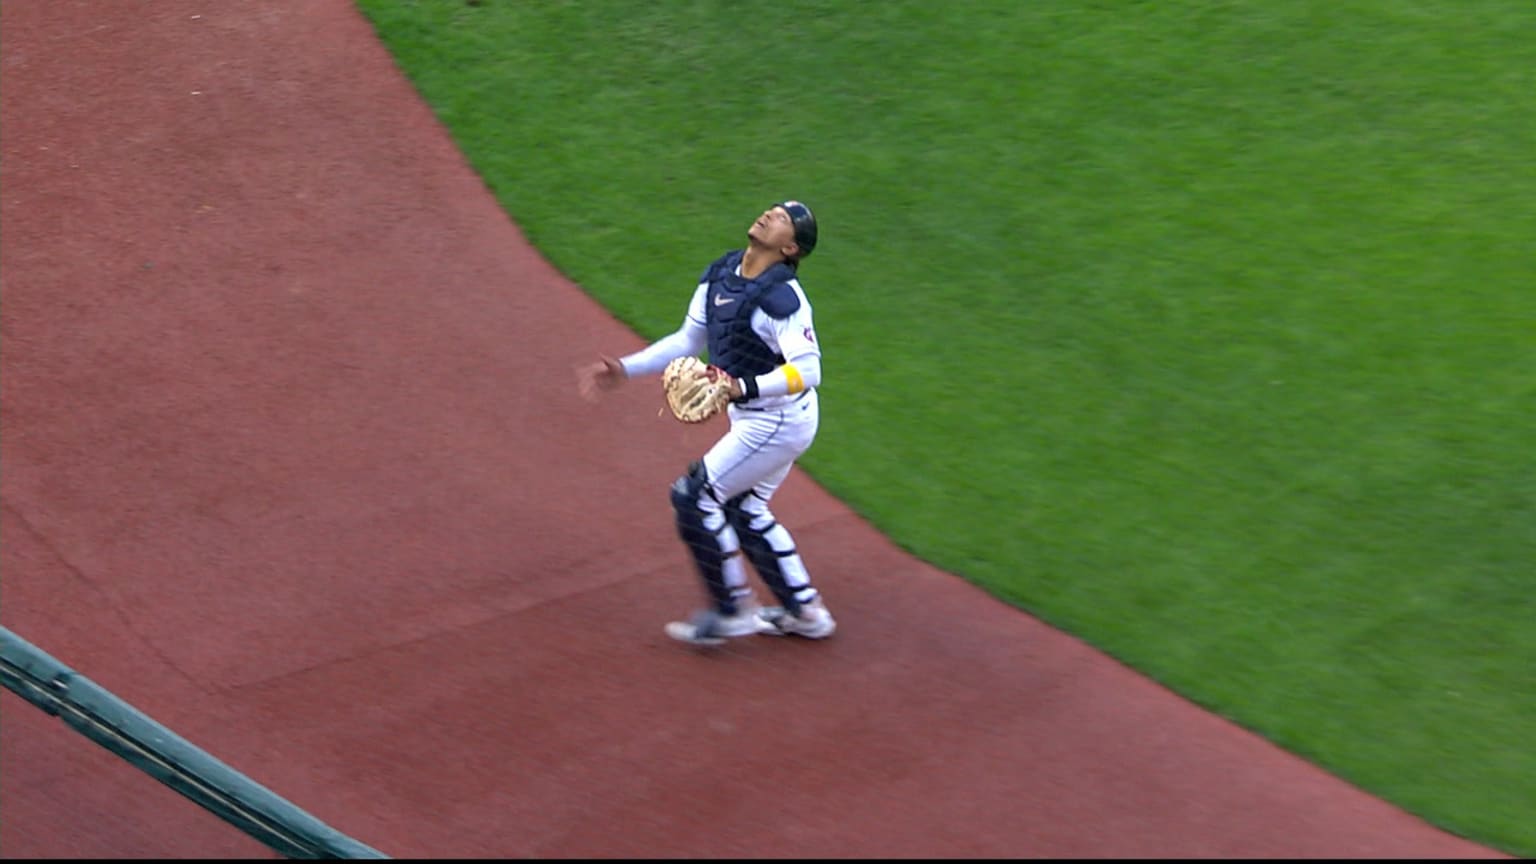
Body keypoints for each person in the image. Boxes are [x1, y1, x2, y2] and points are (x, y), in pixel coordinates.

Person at [577, 201, 836, 646]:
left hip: (778, 420)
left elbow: (808, 371)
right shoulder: (722, 273)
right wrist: (625, 368)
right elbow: (688, 341)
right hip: (759, 418)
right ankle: (806, 611)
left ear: (790, 247)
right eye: (770, 210)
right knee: (744, 509)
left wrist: (742, 388)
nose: (767, 216)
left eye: (780, 220)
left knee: (694, 496)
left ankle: (733, 608)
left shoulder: (783, 298)